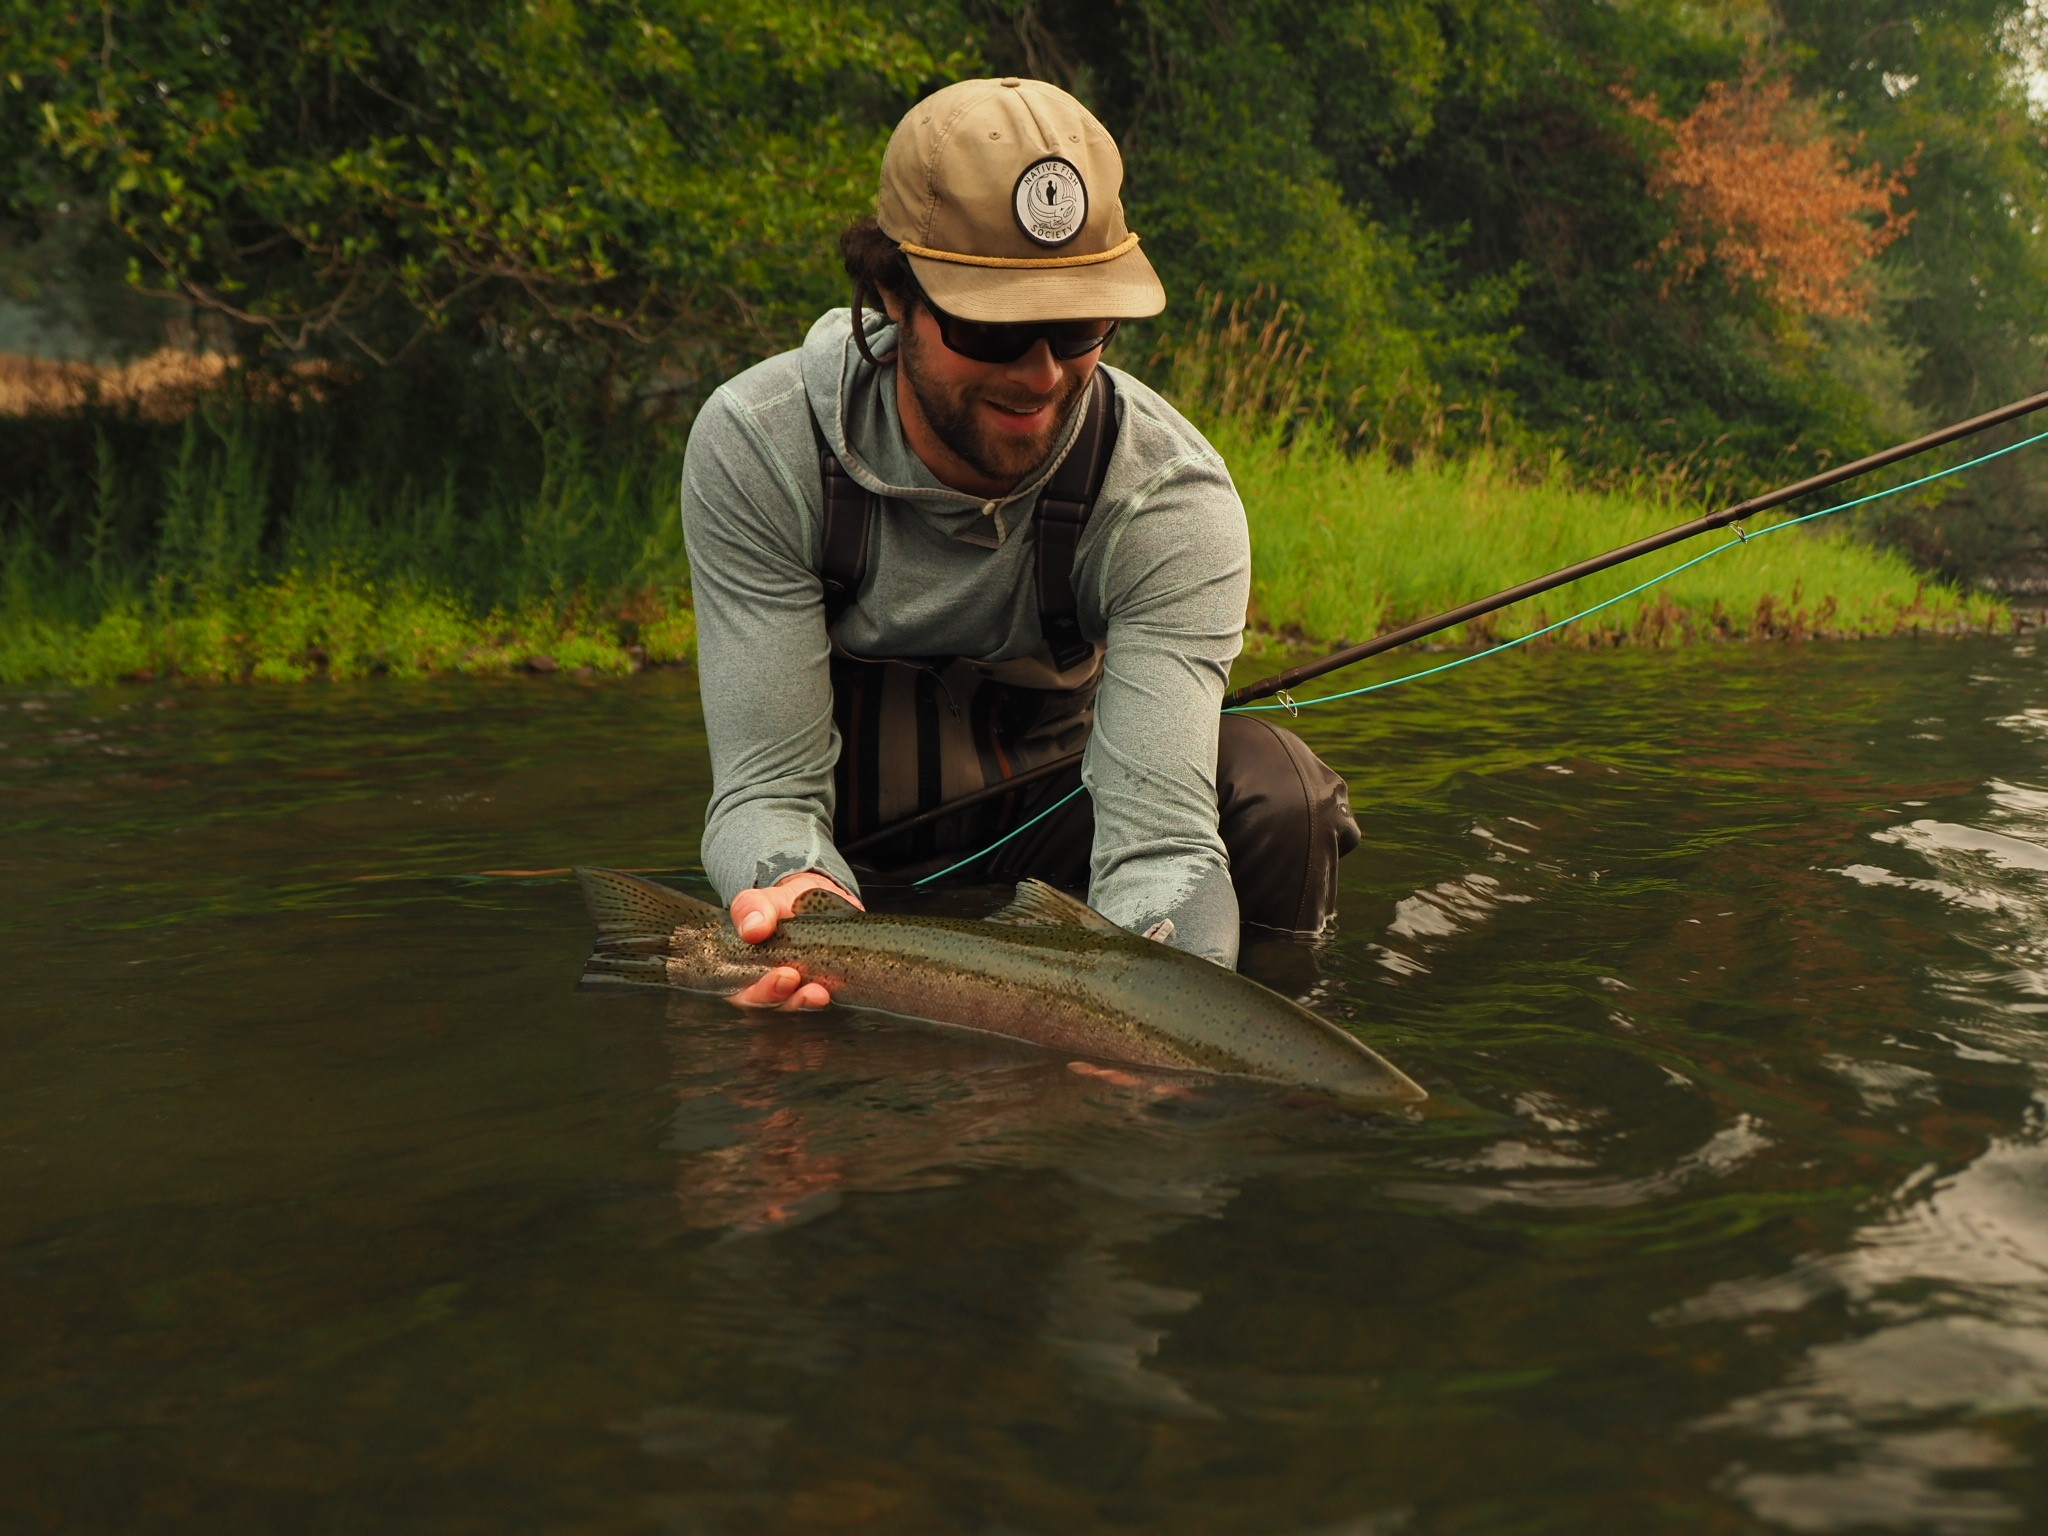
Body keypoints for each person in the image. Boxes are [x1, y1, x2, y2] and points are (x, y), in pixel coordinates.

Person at [682, 76, 1357, 1009]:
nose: (1040, 374)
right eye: (993, 327)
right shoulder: (761, 445)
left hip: (1064, 842)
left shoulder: (1167, 498)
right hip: (844, 855)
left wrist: (1168, 1024)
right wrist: (802, 900)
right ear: (890, 293)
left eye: (1078, 325)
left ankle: (1279, 1035)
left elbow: (1158, 845)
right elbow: (766, 789)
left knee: (1278, 792)